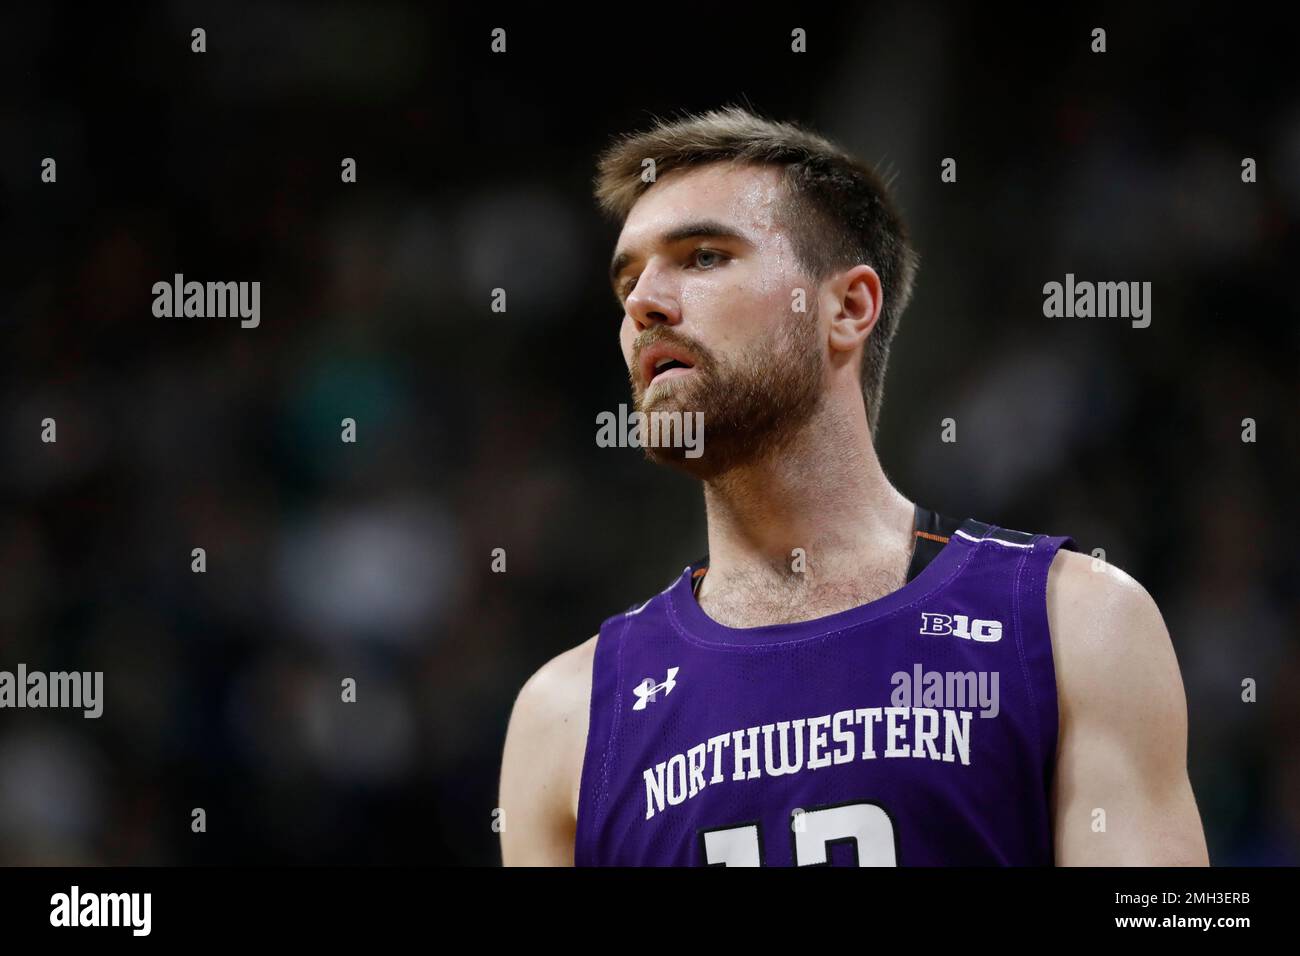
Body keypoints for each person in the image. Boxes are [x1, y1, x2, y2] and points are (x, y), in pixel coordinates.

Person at [498, 107, 1208, 866]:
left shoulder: (1074, 623)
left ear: (848, 308)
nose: (644, 304)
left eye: (702, 257)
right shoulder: (567, 716)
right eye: (629, 281)